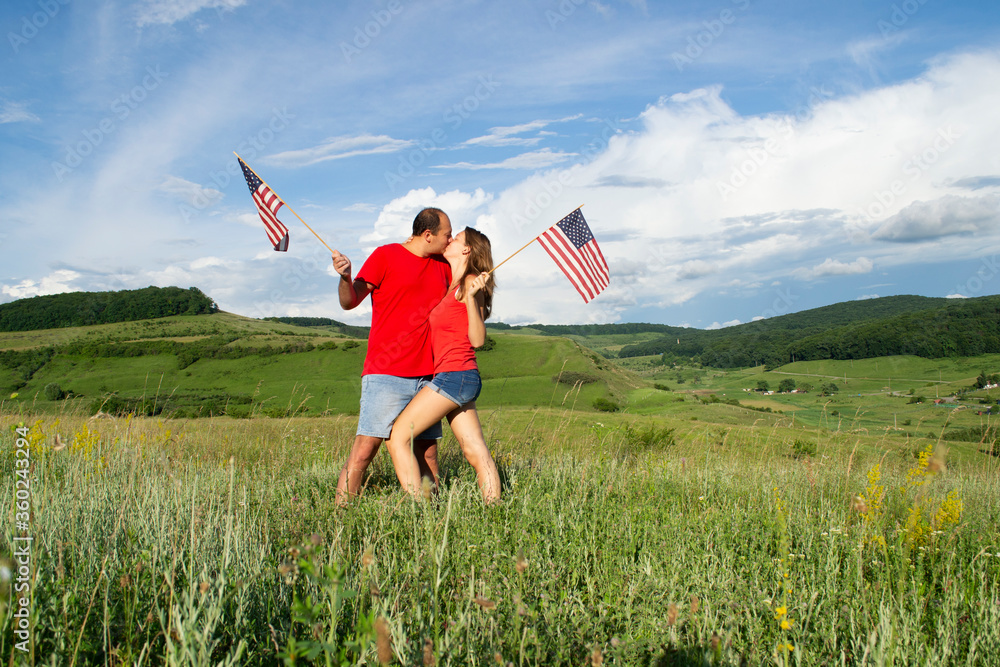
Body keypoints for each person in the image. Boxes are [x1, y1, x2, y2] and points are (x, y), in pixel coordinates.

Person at [330, 208, 452, 504]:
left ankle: (432, 513)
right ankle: (340, 513)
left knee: (428, 451)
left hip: (429, 376)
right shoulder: (385, 256)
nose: (449, 240)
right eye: (447, 235)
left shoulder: (444, 266)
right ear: (428, 235)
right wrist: (345, 277)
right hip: (386, 373)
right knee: (365, 448)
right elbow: (349, 302)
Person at [383, 227, 501, 503]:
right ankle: (495, 508)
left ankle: (421, 508)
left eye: (455, 238)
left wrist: (472, 297)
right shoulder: (452, 283)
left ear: (466, 249)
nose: (449, 240)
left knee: (398, 438)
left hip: (455, 374)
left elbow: (478, 340)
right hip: (459, 376)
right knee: (474, 450)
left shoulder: (470, 283)